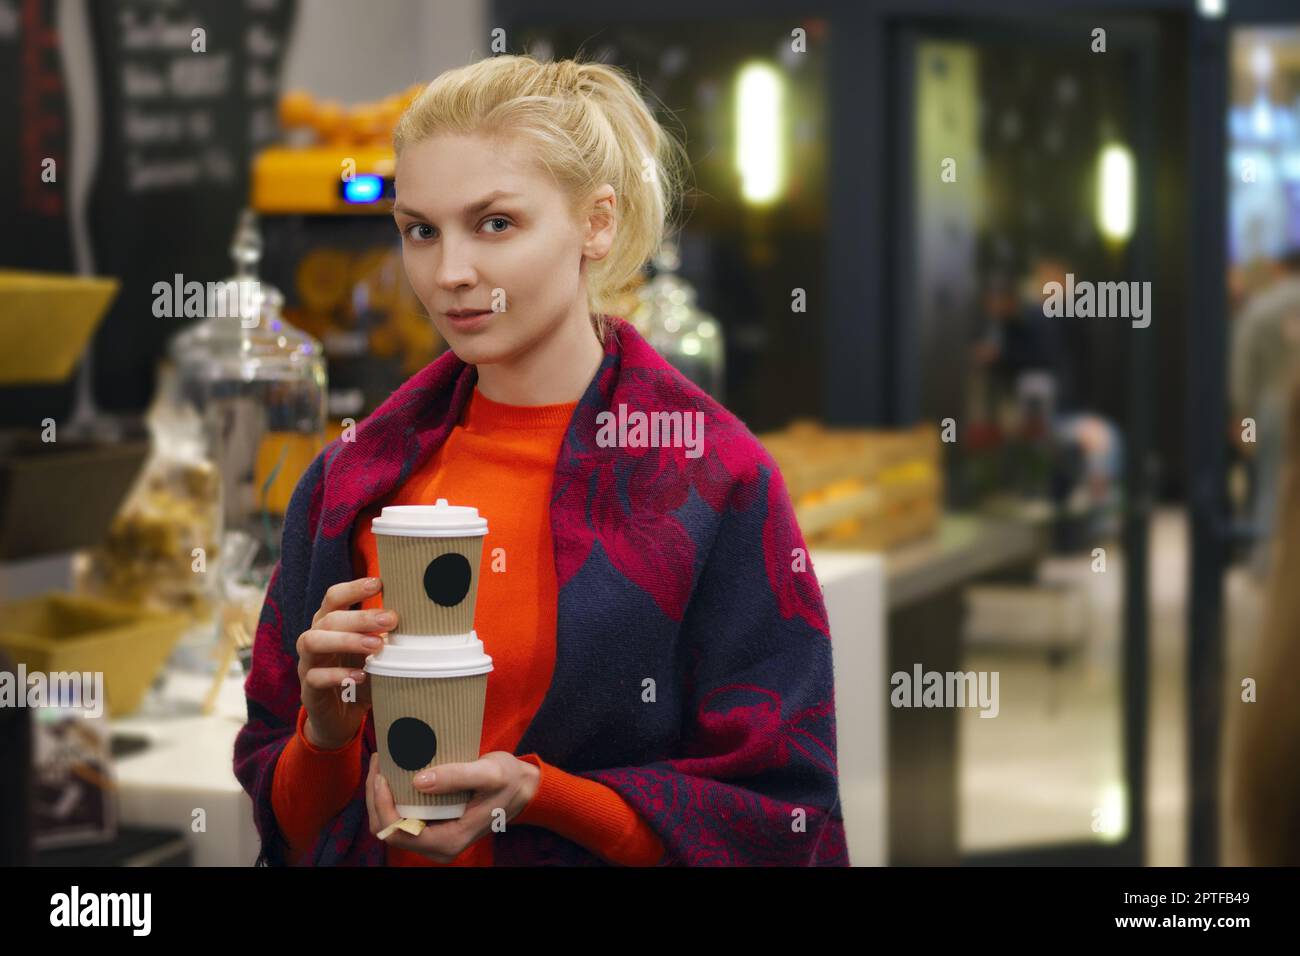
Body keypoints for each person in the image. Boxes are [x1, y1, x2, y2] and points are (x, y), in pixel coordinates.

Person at [232, 55, 847, 866]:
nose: (450, 273)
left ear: (596, 223)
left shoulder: (712, 480)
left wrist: (542, 796)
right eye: (421, 230)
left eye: (494, 224)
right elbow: (292, 824)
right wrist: (325, 733)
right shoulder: (354, 478)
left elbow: (782, 812)